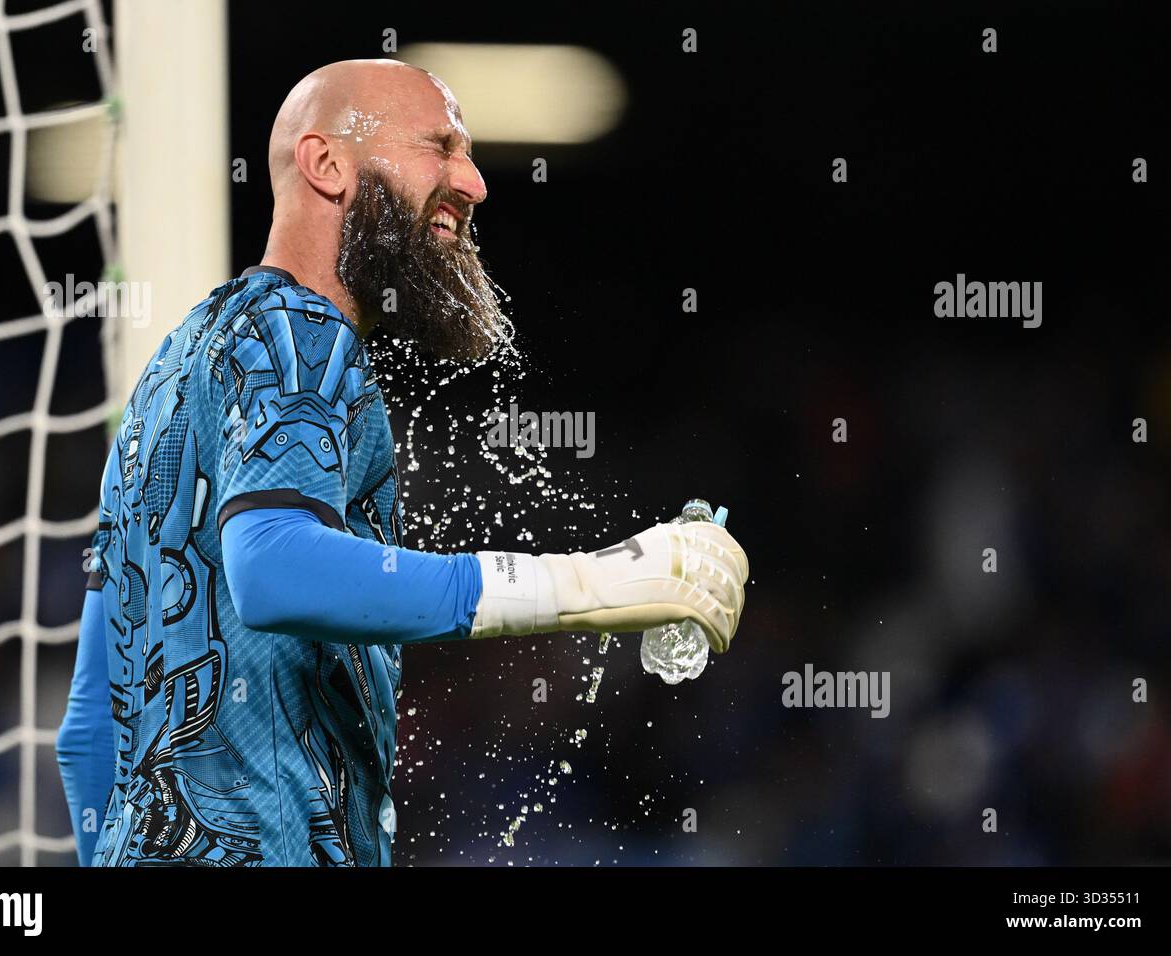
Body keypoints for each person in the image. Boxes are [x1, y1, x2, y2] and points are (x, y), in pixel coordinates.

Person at [55, 59, 749, 867]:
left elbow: (87, 735)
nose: (474, 182)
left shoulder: (171, 376)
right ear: (326, 165)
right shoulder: (302, 336)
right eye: (439, 147)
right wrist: (588, 585)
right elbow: (274, 569)